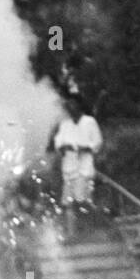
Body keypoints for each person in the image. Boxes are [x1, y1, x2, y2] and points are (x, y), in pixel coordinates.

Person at [51, 92, 102, 237]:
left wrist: (87, 147)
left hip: (84, 168)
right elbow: (58, 142)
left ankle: (90, 231)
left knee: (84, 201)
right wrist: (63, 147)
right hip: (69, 168)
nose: (71, 107)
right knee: (68, 203)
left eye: (74, 104)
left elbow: (97, 141)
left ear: (79, 105)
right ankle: (72, 234)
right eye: (69, 105)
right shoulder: (65, 124)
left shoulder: (89, 122)